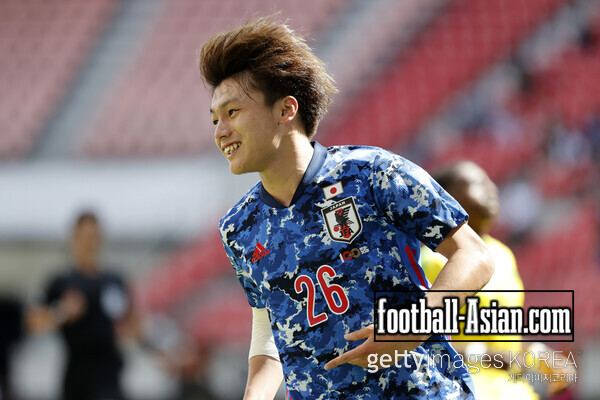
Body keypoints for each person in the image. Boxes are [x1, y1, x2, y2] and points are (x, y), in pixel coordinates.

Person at [199, 16, 494, 400]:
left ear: (286, 110)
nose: (220, 131)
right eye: (215, 119)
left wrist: (412, 327)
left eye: (232, 112)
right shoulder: (238, 228)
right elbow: (268, 327)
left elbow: (475, 256)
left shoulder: (371, 172)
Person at [420, 161, 539, 400]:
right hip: (463, 389)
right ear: (448, 198)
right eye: (478, 183)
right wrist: (485, 355)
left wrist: (535, 353)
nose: (492, 188)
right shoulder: (432, 261)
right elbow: (416, 341)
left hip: (513, 390)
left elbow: (503, 343)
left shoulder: (503, 255)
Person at [30, 211, 133, 400]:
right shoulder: (62, 282)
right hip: (77, 373)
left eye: (93, 236)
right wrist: (61, 312)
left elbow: (133, 323)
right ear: (74, 238)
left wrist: (130, 334)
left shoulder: (114, 280)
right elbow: (33, 323)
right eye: (84, 237)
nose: (89, 243)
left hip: (109, 373)